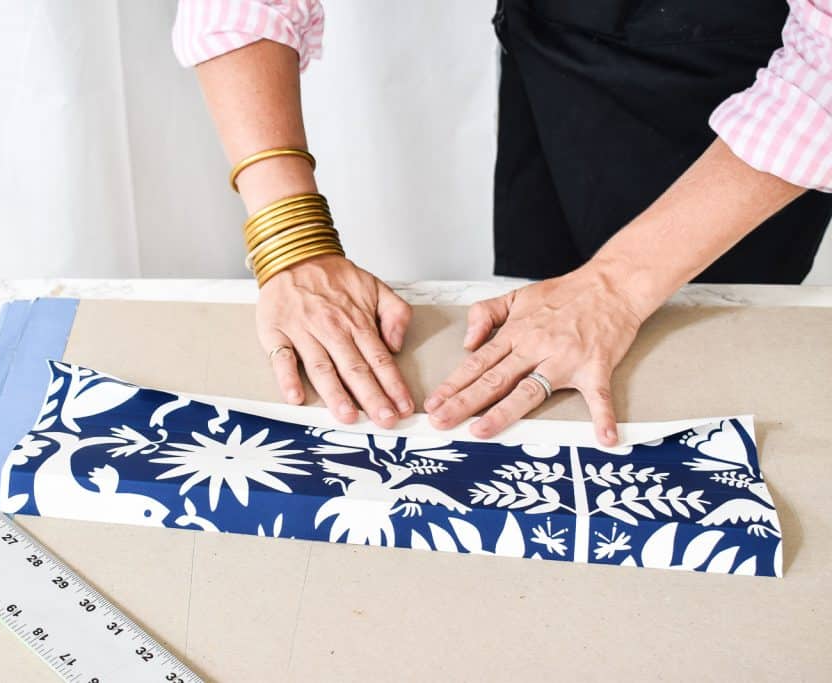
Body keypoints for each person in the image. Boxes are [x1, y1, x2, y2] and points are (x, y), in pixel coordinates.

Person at [173, 0, 832, 445]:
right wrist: (291, 237)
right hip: (552, 40)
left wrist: (617, 286)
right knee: (537, 345)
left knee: (674, 388)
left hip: (737, 86)